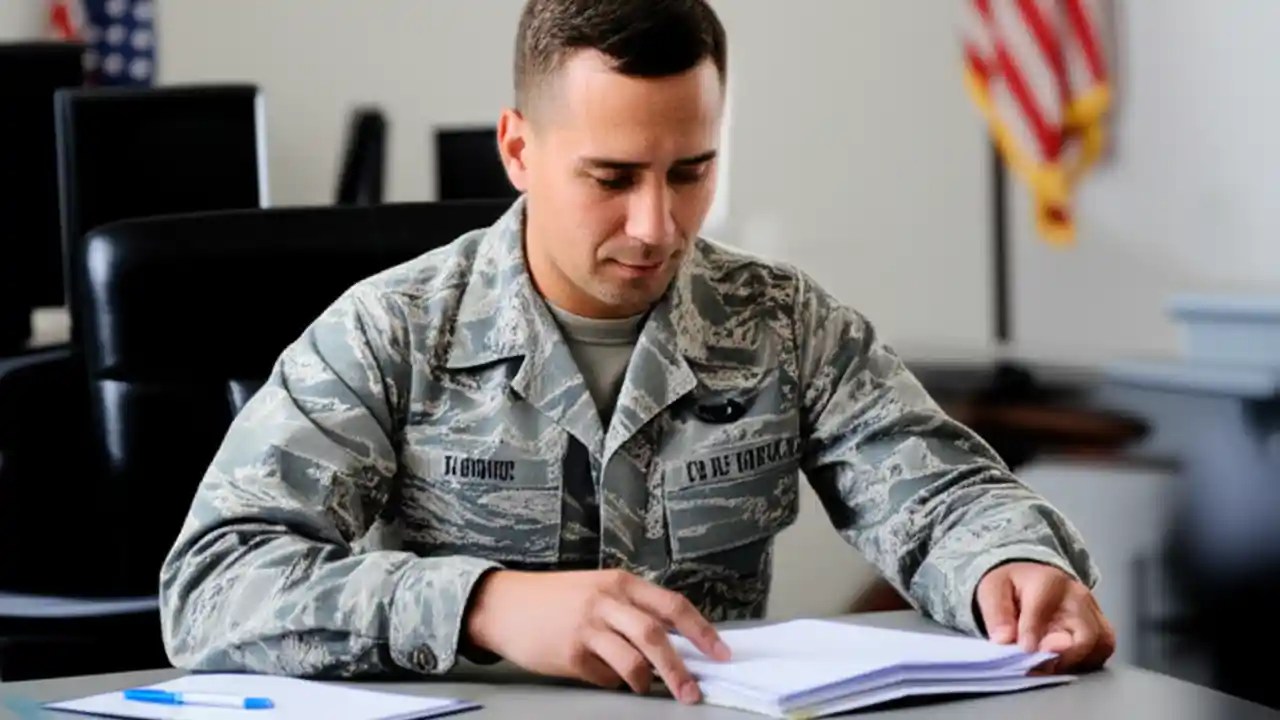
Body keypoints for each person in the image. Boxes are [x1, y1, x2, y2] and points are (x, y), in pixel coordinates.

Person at [158, 0, 1115, 705]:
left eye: (691, 172)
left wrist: (1008, 566)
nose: (657, 225)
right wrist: (485, 605)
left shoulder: (782, 323)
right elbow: (211, 587)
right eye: (610, 178)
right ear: (519, 150)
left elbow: (941, 494)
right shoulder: (394, 330)